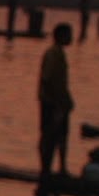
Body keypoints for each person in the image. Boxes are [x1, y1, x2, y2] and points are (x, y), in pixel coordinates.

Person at [36, 23, 75, 183]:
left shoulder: (60, 54)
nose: (71, 38)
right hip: (51, 103)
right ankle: (45, 168)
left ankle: (62, 168)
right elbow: (47, 80)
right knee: (48, 135)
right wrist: (56, 103)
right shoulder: (52, 54)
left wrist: (66, 102)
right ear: (61, 36)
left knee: (62, 136)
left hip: (60, 103)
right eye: (69, 35)